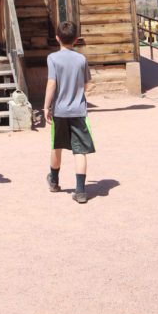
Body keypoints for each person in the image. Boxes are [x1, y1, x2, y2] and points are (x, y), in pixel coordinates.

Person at [43, 19, 94, 204]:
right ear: (76, 39)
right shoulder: (81, 59)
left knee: (56, 146)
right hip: (78, 111)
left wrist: (46, 106)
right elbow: (87, 83)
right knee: (79, 150)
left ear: (57, 38)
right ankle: (80, 190)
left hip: (60, 110)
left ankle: (54, 181)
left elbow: (51, 83)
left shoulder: (53, 58)